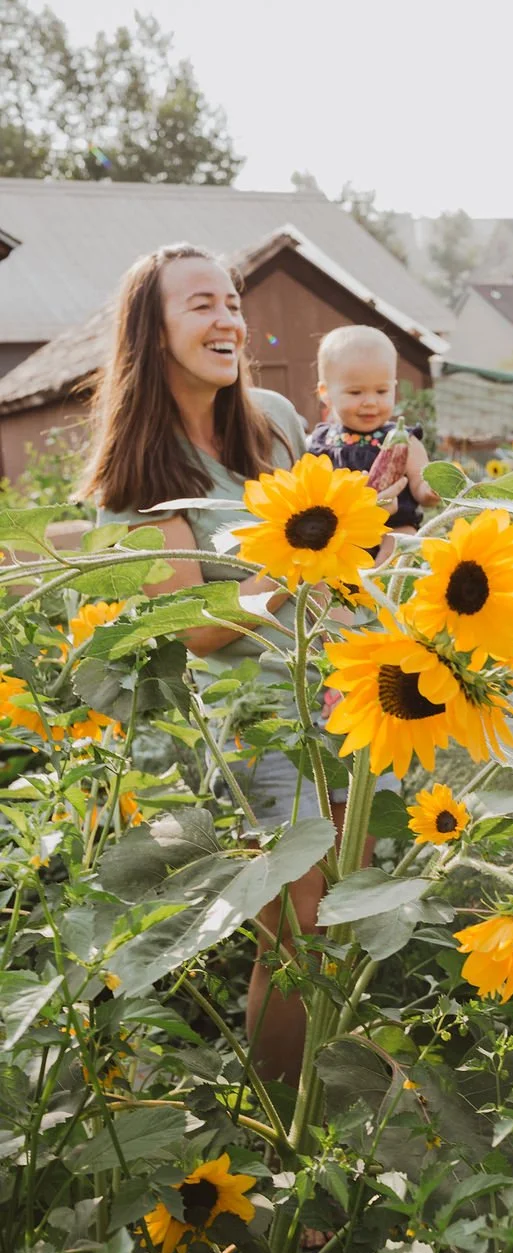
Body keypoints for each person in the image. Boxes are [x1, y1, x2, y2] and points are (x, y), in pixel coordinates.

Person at [80, 243, 404, 1087]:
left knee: (348, 910)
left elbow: (331, 539)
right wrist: (296, 556)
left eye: (231, 301)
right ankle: (284, 1129)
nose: (227, 319)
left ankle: (342, 1104)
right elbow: (193, 629)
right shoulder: (141, 475)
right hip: (252, 721)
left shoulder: (274, 421)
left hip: (337, 688)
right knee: (294, 929)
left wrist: (372, 501)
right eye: (201, 305)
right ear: (152, 334)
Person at [308, 325, 439, 537]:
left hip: (393, 527)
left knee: (401, 541)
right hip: (341, 533)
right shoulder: (321, 441)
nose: (370, 402)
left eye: (381, 391)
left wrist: (430, 491)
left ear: (394, 387)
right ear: (325, 393)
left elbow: (419, 479)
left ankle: (383, 570)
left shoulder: (403, 440)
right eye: (355, 392)